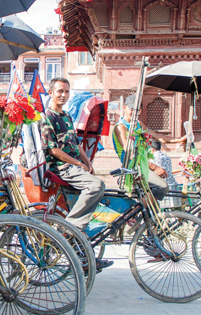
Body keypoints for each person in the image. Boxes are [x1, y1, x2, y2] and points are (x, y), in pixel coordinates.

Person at [40, 78, 105, 229]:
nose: (63, 95)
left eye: (67, 91)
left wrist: (88, 163)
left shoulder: (67, 115)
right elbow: (53, 150)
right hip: (62, 167)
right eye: (60, 91)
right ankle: (70, 226)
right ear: (51, 93)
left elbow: (76, 143)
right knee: (96, 186)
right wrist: (78, 163)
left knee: (101, 189)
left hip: (74, 166)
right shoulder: (48, 117)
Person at [111, 94, 170, 202]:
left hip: (141, 166)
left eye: (138, 110)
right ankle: (135, 211)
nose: (135, 112)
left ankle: (142, 213)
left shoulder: (138, 124)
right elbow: (130, 152)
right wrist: (154, 167)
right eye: (132, 109)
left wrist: (179, 140)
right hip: (132, 167)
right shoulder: (121, 127)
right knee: (162, 187)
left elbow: (155, 136)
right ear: (125, 108)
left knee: (153, 206)